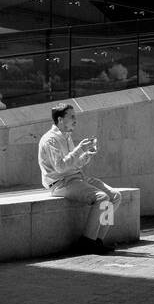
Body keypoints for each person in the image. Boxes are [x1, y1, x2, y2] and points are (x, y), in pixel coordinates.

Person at [37, 103, 123, 254]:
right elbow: (60, 167)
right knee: (102, 198)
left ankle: (97, 240)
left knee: (115, 196)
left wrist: (86, 156)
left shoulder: (67, 137)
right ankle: (87, 241)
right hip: (61, 183)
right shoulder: (50, 140)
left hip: (77, 178)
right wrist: (80, 149)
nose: (75, 120)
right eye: (71, 117)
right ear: (60, 119)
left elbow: (73, 163)